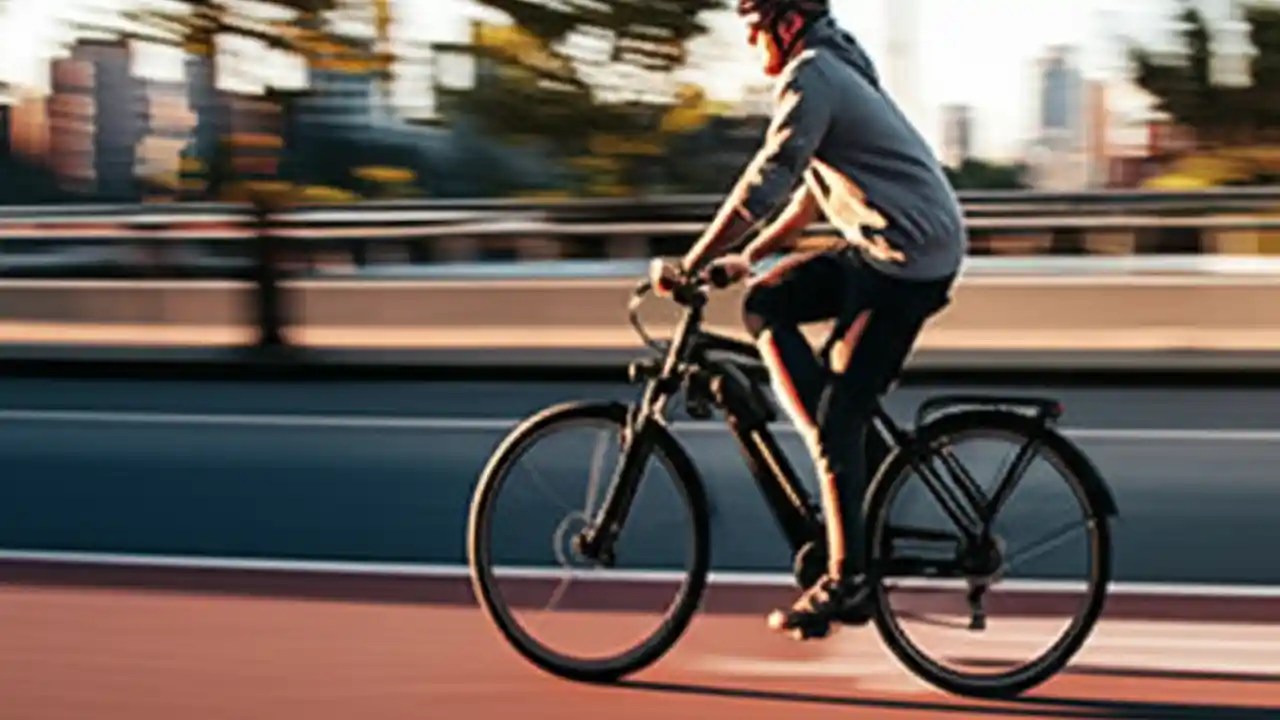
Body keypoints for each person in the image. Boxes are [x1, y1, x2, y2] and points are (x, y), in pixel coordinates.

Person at [651, 0, 968, 640]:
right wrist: (748, 257)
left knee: (837, 419)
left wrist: (693, 259)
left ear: (785, 24)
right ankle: (850, 459)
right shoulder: (833, 66)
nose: (748, 42)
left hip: (906, 259)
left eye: (752, 28)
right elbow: (810, 194)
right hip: (887, 245)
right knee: (766, 299)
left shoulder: (812, 74)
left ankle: (848, 577)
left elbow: (769, 177)